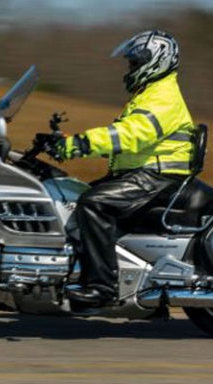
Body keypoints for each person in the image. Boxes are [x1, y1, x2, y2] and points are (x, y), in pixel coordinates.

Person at [51, 30, 196, 307]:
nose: (130, 68)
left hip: (159, 176)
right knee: (72, 197)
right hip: (146, 173)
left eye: (134, 62)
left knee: (94, 204)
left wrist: (77, 144)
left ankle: (101, 287)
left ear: (156, 61)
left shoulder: (163, 97)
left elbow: (130, 135)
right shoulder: (150, 93)